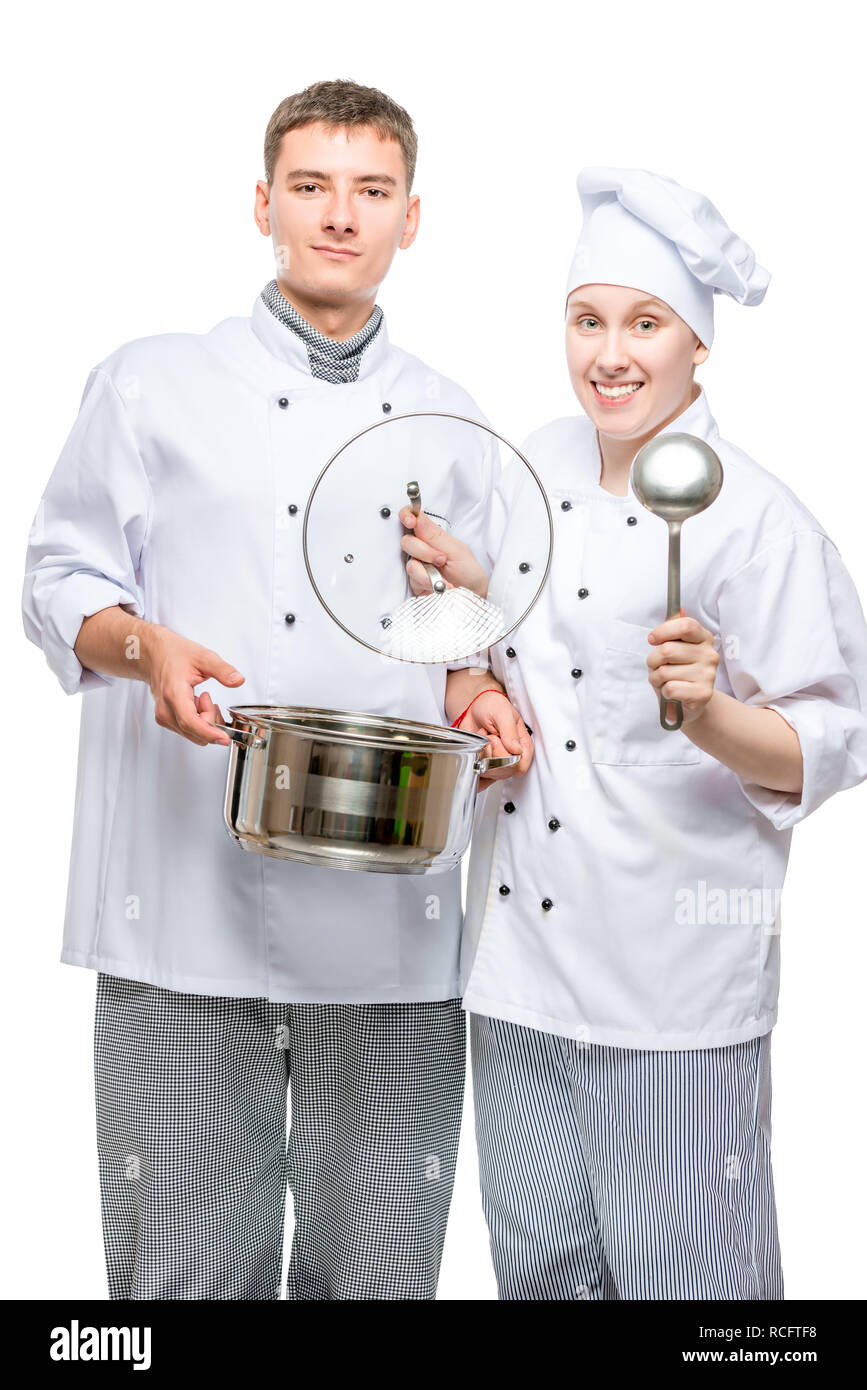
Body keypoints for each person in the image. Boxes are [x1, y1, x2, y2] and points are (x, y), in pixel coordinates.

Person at [21, 78, 507, 1302]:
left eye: (370, 191)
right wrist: (148, 648)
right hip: (182, 905)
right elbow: (58, 578)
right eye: (310, 187)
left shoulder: (455, 417)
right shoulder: (150, 380)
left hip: (391, 917)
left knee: (381, 1272)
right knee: (178, 1275)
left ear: (411, 218)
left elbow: (475, 641)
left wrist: (484, 696)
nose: (339, 216)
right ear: (263, 204)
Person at [437, 167, 867, 1299]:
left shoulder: (755, 515)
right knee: (541, 1273)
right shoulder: (525, 460)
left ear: (698, 344)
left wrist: (715, 716)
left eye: (645, 323)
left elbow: (836, 733)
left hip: (672, 984)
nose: (610, 354)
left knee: (694, 1285)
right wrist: (475, 680)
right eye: (587, 320)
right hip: (518, 972)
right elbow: (490, 649)